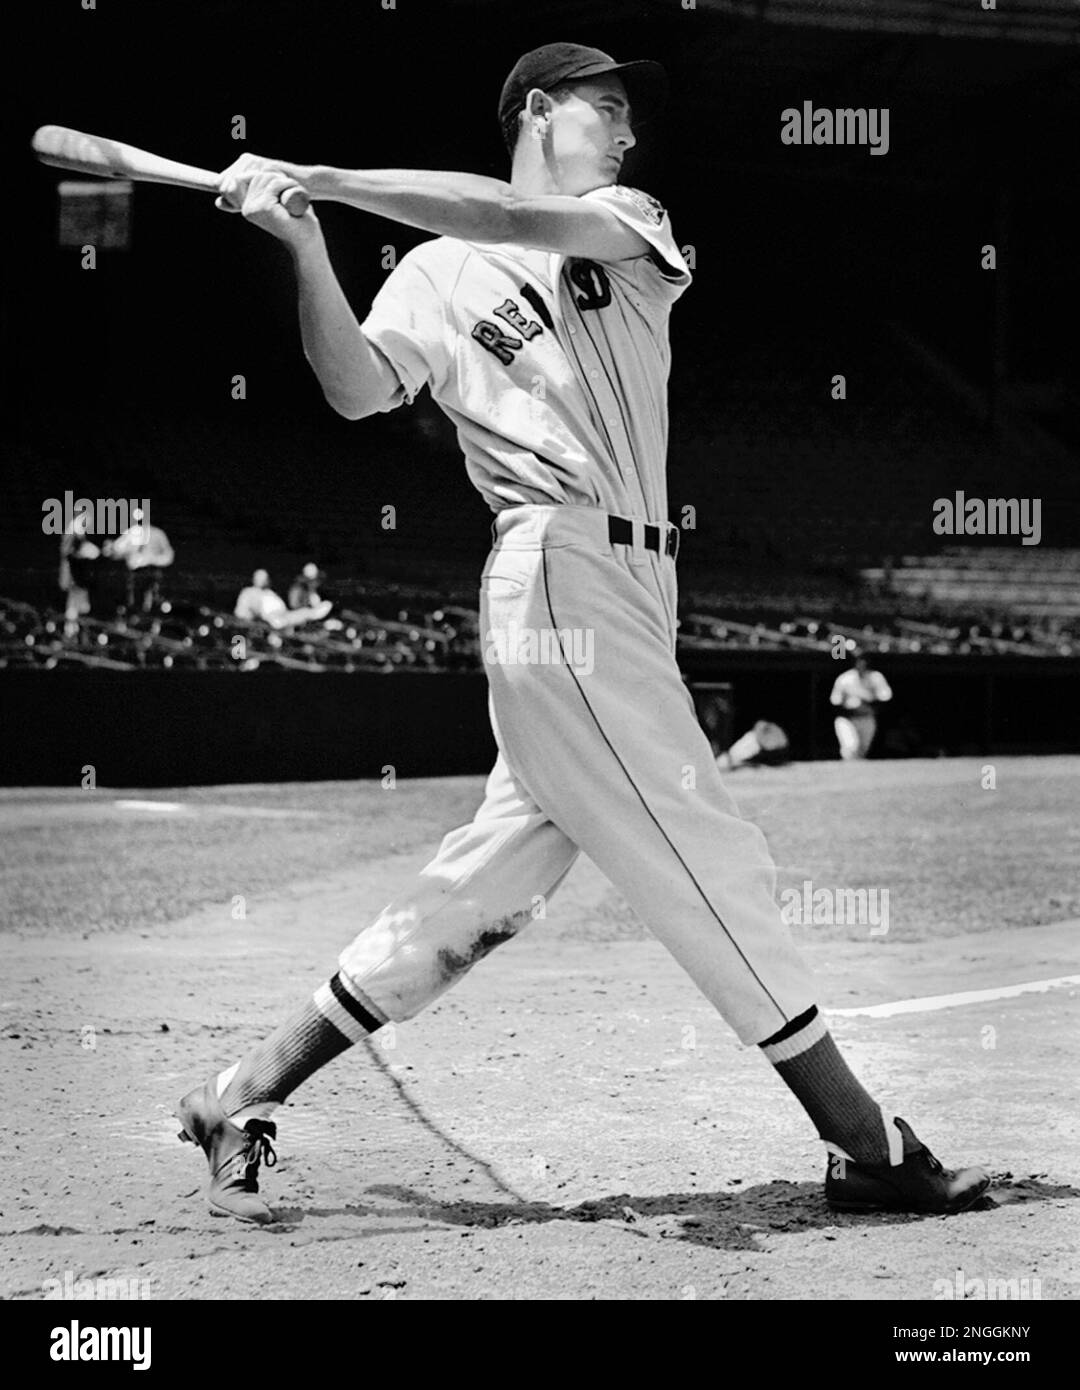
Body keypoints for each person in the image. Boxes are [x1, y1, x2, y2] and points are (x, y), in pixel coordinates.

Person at [175, 42, 988, 1223]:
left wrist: (330, 177)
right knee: (708, 856)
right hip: (558, 564)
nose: (626, 131)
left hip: (627, 589)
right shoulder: (434, 277)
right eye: (605, 108)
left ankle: (234, 1092)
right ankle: (869, 1145)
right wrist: (305, 241)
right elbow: (355, 389)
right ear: (537, 108)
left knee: (478, 894)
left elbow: (515, 212)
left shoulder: (622, 217)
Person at [106, 508, 175, 613]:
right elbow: (117, 550)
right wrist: (112, 549)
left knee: (149, 600)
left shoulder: (157, 534)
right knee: (132, 600)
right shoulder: (131, 533)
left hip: (151, 571)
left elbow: (168, 556)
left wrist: (152, 559)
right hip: (134, 573)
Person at [830, 654, 893, 760]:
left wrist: (869, 700)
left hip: (867, 718)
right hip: (848, 719)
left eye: (864, 660)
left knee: (862, 750)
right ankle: (848, 772)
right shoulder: (845, 678)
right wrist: (851, 707)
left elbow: (886, 696)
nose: (862, 664)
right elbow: (835, 700)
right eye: (859, 661)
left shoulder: (876, 677)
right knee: (850, 748)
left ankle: (856, 774)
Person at [234, 568, 331, 629]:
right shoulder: (248, 592)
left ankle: (313, 613)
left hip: (282, 616)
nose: (262, 581)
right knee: (280, 621)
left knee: (306, 612)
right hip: (269, 619)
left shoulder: (270, 593)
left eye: (264, 578)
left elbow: (283, 609)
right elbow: (241, 612)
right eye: (259, 578)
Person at [58, 512, 100, 640]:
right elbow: (68, 553)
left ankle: (77, 634)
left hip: (79, 578)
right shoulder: (72, 532)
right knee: (73, 608)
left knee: (81, 607)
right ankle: (71, 634)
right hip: (74, 577)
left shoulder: (77, 533)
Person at [717, 719, 790, 771]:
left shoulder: (752, 742)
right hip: (754, 740)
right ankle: (725, 762)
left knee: (735, 755)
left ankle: (725, 762)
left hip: (756, 742)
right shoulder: (751, 738)